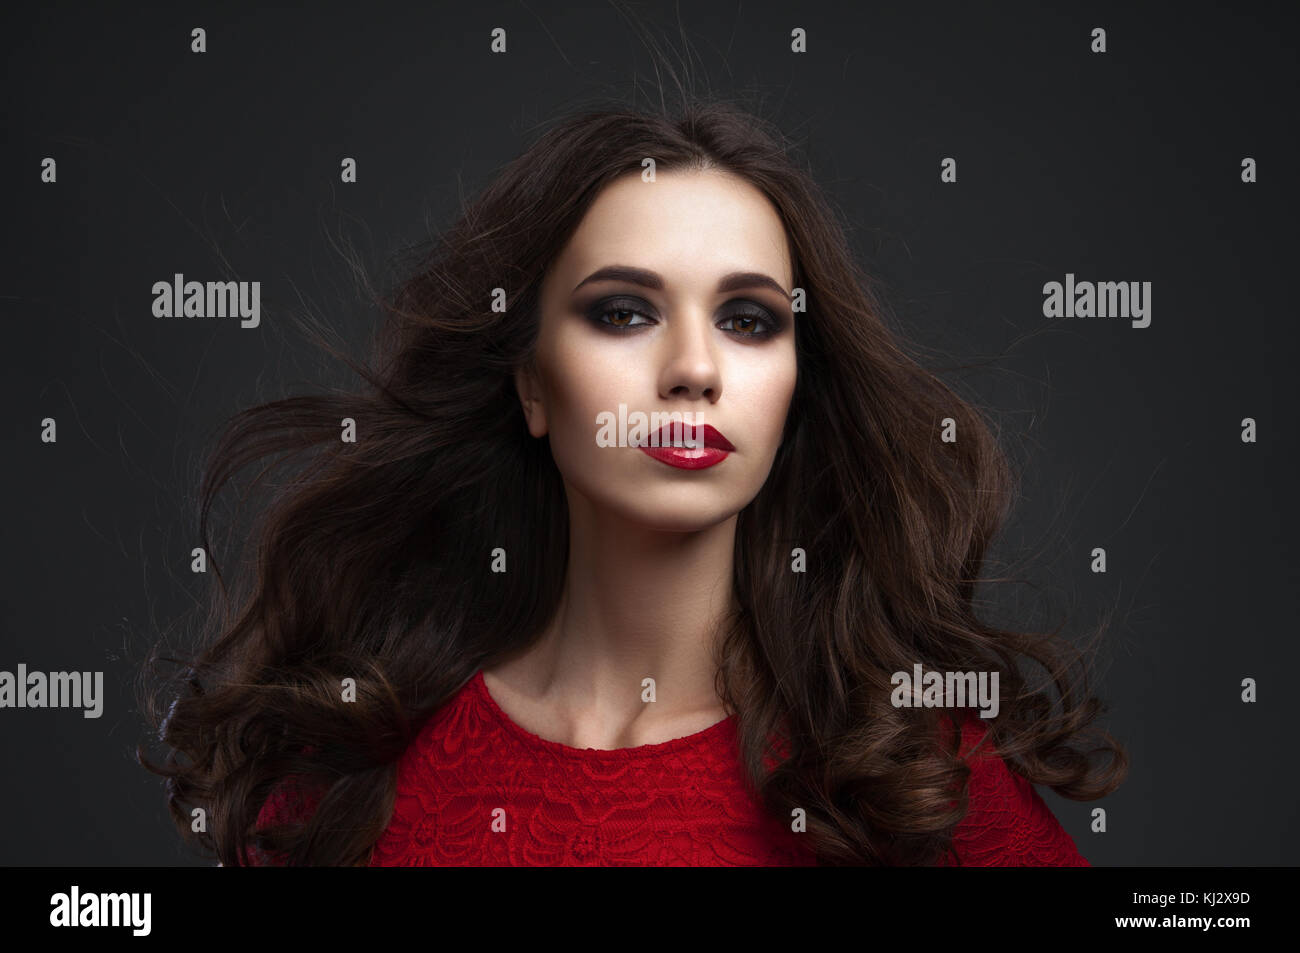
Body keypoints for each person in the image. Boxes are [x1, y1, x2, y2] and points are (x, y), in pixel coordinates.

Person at [140, 95, 1127, 867]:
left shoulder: (909, 770)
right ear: (530, 381)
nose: (694, 368)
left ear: (793, 385)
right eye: (622, 311)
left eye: (748, 319)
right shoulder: (349, 770)